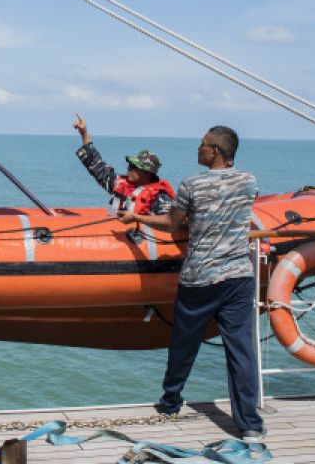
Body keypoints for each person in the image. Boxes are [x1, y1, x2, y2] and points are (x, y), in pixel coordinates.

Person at [118, 124, 265, 443]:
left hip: (200, 278)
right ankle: (250, 423)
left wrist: (137, 218)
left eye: (203, 144)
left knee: (184, 344)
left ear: (216, 152)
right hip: (239, 276)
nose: (198, 148)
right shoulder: (249, 181)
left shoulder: (192, 184)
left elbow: (173, 225)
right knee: (241, 350)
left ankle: (171, 402)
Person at [72, 113, 175, 215]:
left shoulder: (161, 198)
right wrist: (84, 133)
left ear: (147, 173)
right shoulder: (120, 184)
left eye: (133, 167)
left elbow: (169, 225)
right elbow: (96, 164)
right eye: (129, 165)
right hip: (112, 230)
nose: (128, 169)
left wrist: (138, 219)